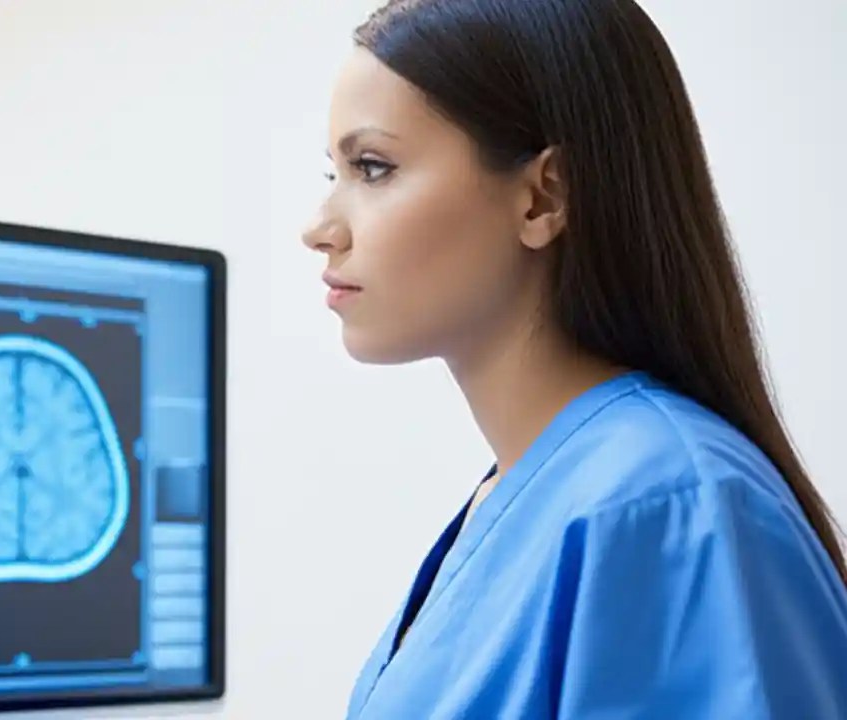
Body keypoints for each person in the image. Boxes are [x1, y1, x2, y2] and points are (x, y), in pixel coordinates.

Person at [302, 0, 847, 717]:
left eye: (373, 167)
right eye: (333, 173)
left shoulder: (670, 506)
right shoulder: (525, 496)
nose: (321, 229)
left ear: (542, 197)